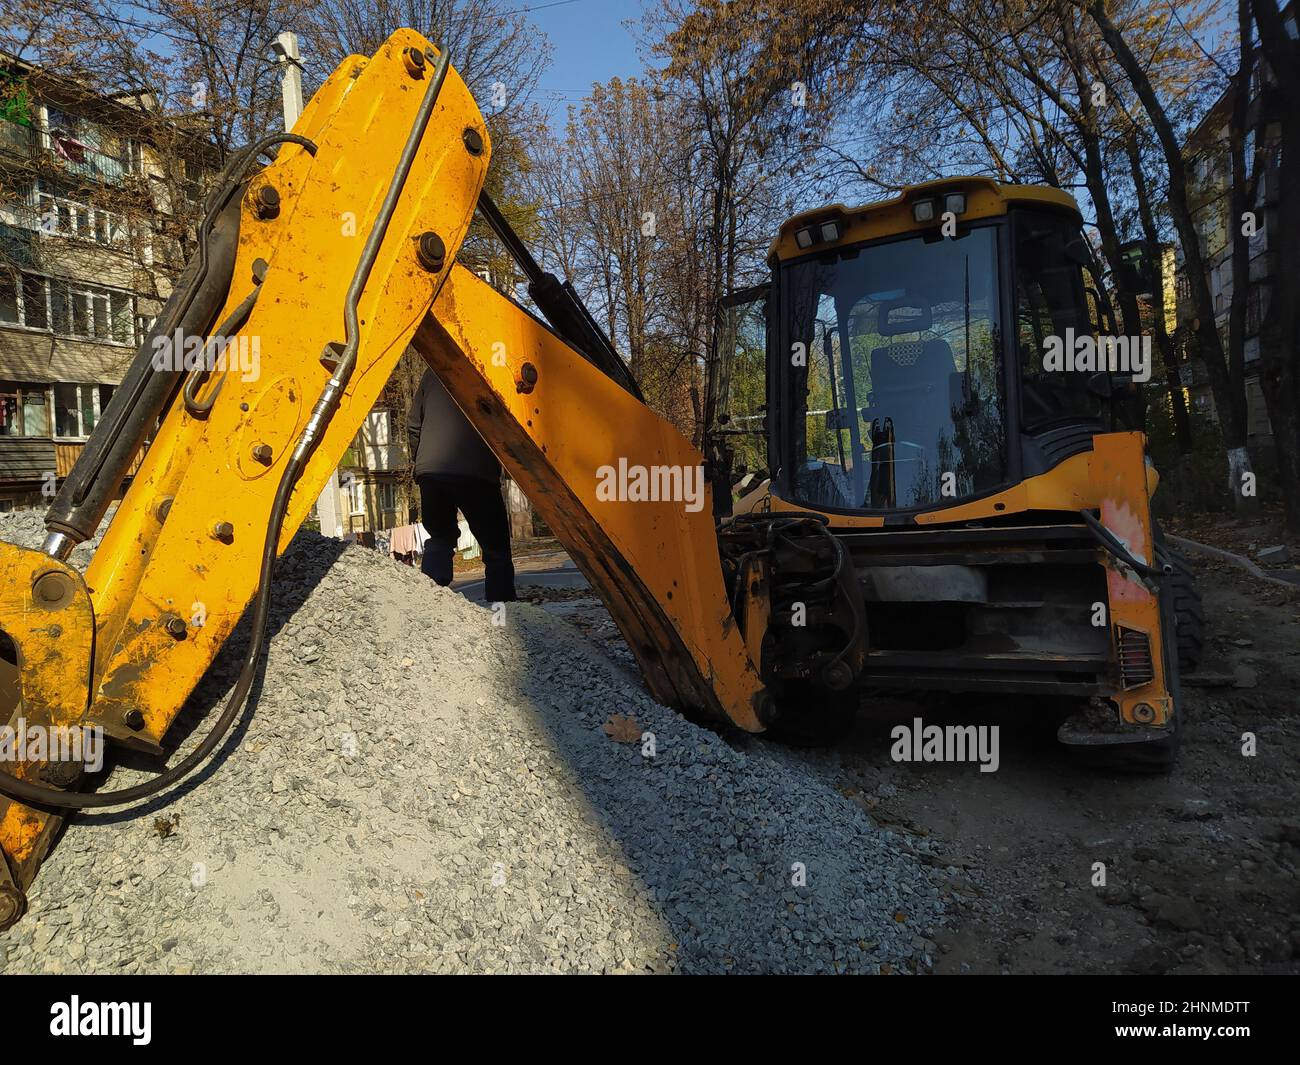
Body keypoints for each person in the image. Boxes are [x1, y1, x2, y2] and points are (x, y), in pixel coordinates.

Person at [407, 368, 516, 602]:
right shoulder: (492, 366)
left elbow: (414, 424)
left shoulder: (432, 371)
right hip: (476, 472)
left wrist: (422, 461)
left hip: (431, 471)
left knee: (440, 537)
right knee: (496, 550)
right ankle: (504, 616)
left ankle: (431, 607)